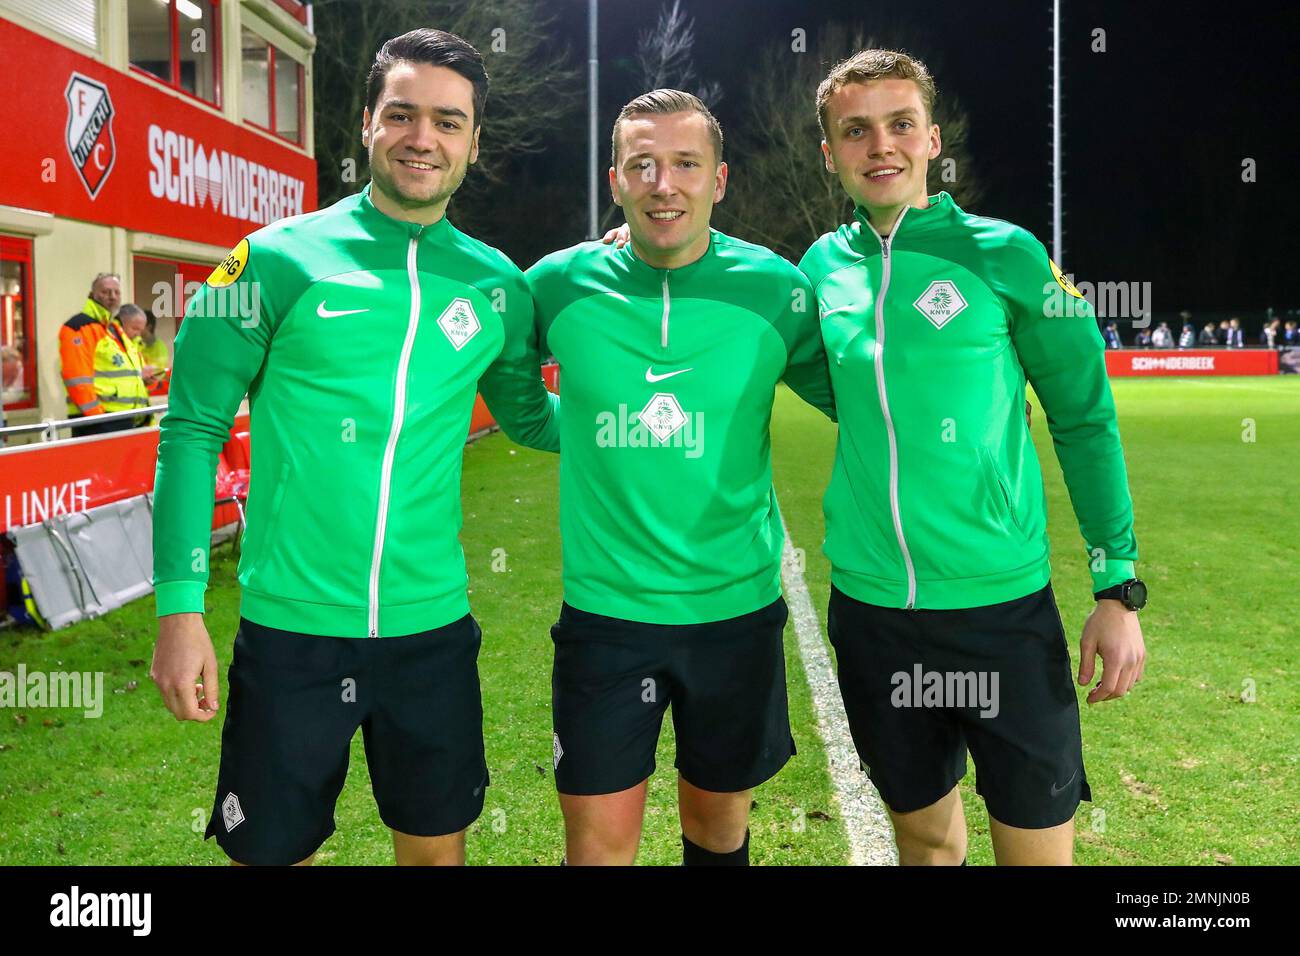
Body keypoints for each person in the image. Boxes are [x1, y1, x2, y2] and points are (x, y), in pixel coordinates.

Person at [149, 28, 559, 867]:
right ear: (366, 123)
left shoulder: (498, 286)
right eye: (403, 114)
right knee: (271, 856)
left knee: (437, 854)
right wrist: (179, 608)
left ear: (474, 143)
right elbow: (191, 429)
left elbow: (533, 420)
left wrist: (653, 409)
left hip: (432, 632)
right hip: (291, 633)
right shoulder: (268, 261)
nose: (424, 138)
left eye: (449, 122)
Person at [800, 49, 1145, 866]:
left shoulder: (1011, 255)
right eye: (856, 130)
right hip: (873, 613)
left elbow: (1086, 419)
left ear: (931, 139)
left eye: (899, 125)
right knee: (923, 841)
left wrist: (1117, 586)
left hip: (1002, 617)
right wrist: (637, 252)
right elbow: (787, 356)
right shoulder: (819, 270)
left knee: (1034, 851)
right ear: (831, 153)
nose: (879, 144)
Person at [530, 90, 835, 866]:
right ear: (616, 180)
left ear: (720, 179)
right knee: (599, 851)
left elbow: (866, 401)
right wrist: (593, 438)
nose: (664, 182)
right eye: (643, 165)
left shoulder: (777, 290)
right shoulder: (556, 285)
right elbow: (500, 383)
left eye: (685, 165)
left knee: (717, 833)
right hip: (606, 618)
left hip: (734, 616)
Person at [58, 272, 150, 435]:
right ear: (92, 294)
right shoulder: (79, 327)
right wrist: (97, 417)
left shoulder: (109, 330)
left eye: (116, 292)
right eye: (106, 292)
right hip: (99, 423)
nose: (112, 296)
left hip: (121, 419)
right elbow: (76, 378)